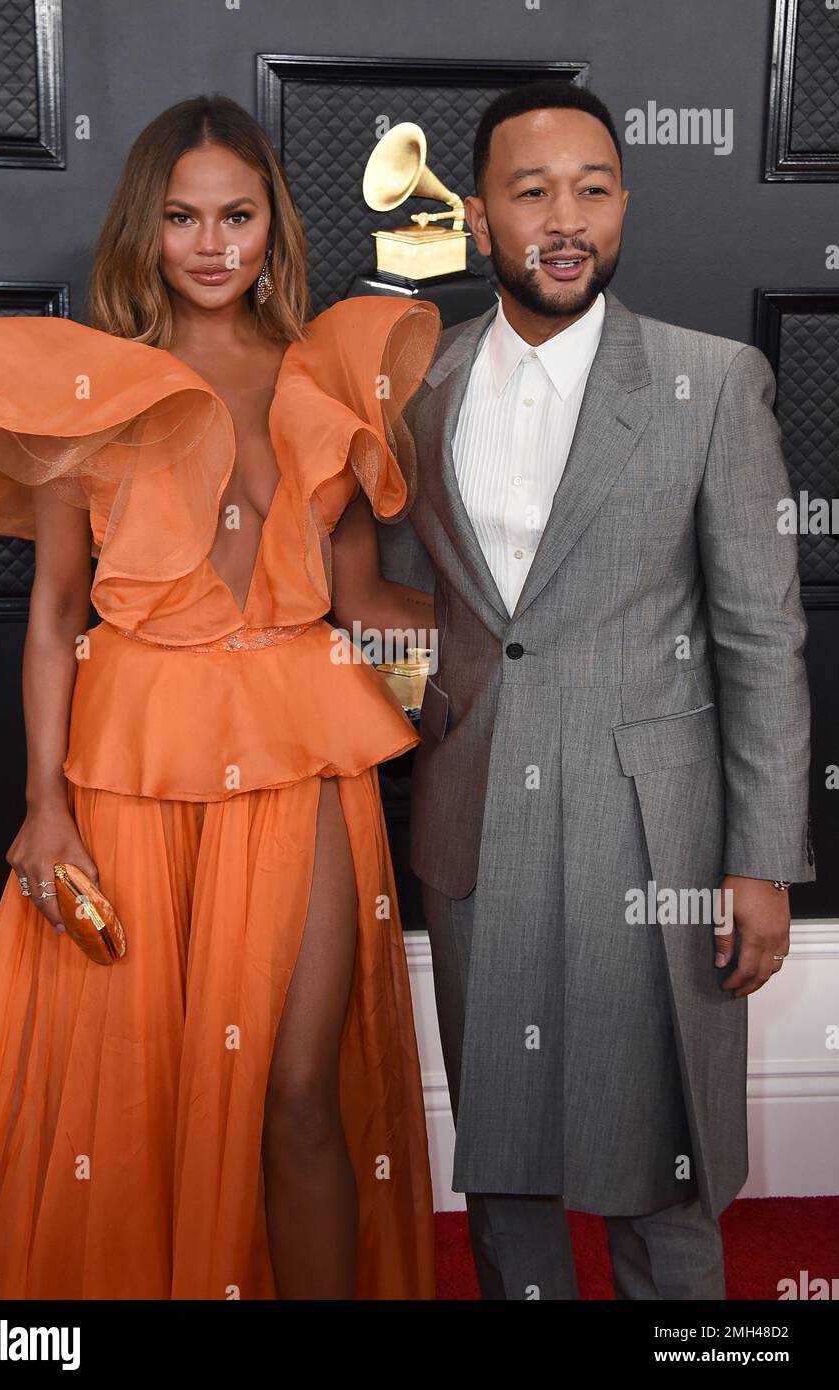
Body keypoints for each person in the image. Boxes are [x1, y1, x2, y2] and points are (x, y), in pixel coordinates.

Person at [0, 95, 442, 1300]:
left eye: (237, 215)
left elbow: (361, 597)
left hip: (302, 753)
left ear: (273, 229)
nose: (211, 244)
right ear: (143, 230)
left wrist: (546, 638)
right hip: (129, 765)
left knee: (300, 1083)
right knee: (138, 1080)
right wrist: (42, 806)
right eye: (181, 217)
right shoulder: (95, 387)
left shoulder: (328, 375)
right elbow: (57, 613)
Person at [377, 80, 815, 1300]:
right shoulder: (422, 389)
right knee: (505, 1163)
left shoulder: (709, 382)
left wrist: (762, 859)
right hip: (473, 826)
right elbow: (411, 613)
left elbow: (759, 636)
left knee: (656, 1162)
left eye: (593, 188)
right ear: (477, 218)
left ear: (622, 203)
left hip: (651, 835)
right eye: (531, 193)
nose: (566, 218)